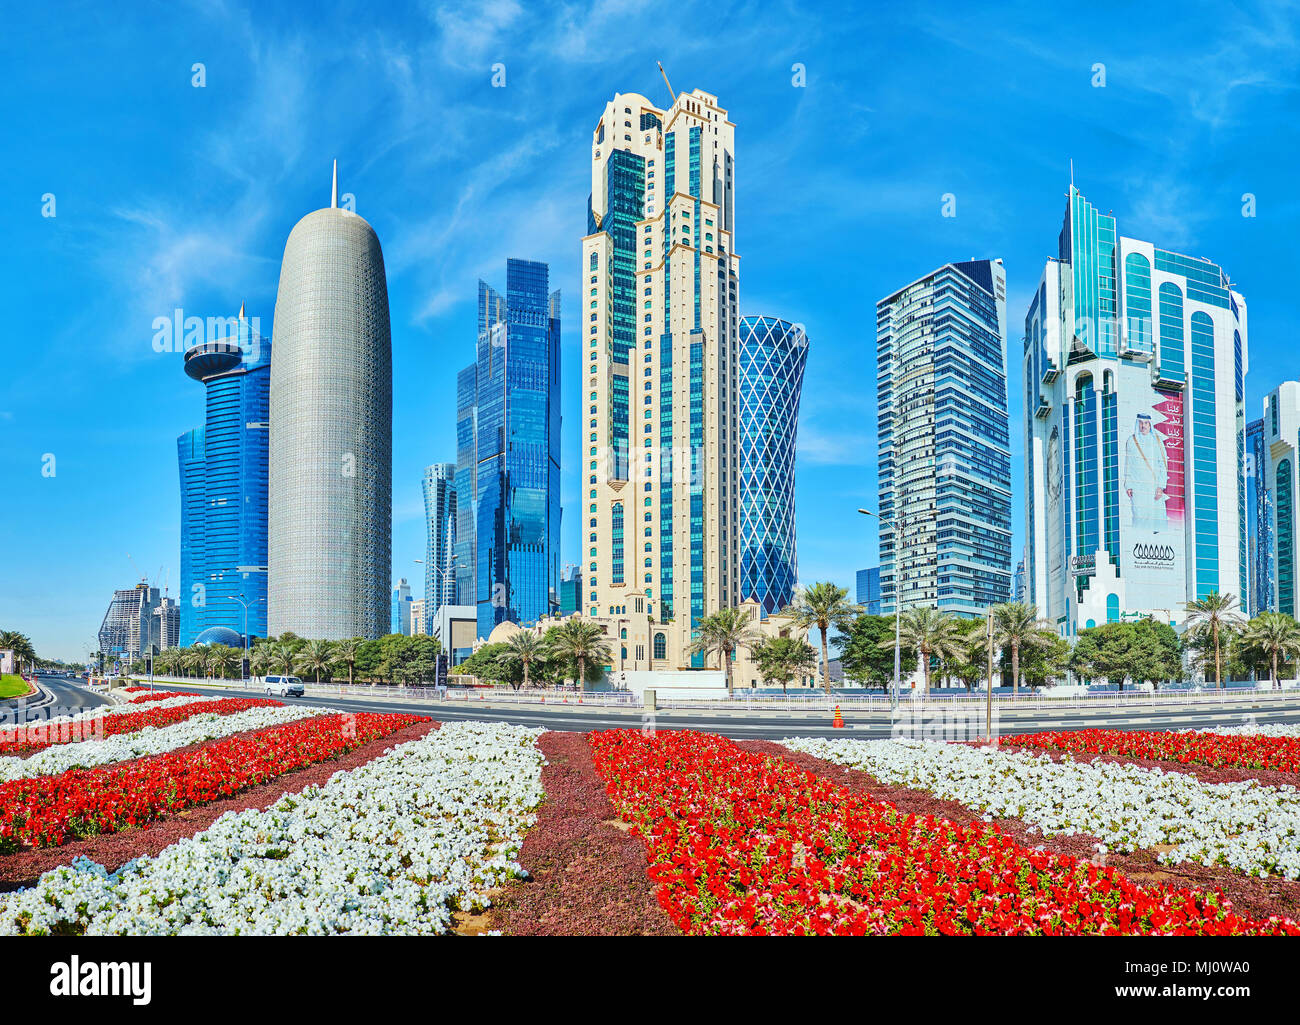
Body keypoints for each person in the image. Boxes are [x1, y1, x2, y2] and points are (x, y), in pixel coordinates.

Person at [1124, 413, 1169, 530]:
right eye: (1141, 423)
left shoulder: (1157, 441)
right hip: (1138, 489)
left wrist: (1161, 486)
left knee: (1156, 520)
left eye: (1146, 423)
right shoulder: (1131, 441)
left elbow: (1163, 464)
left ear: (1150, 425)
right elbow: (1128, 464)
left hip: (1154, 488)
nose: (1143, 426)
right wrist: (1128, 485)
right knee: (1139, 519)